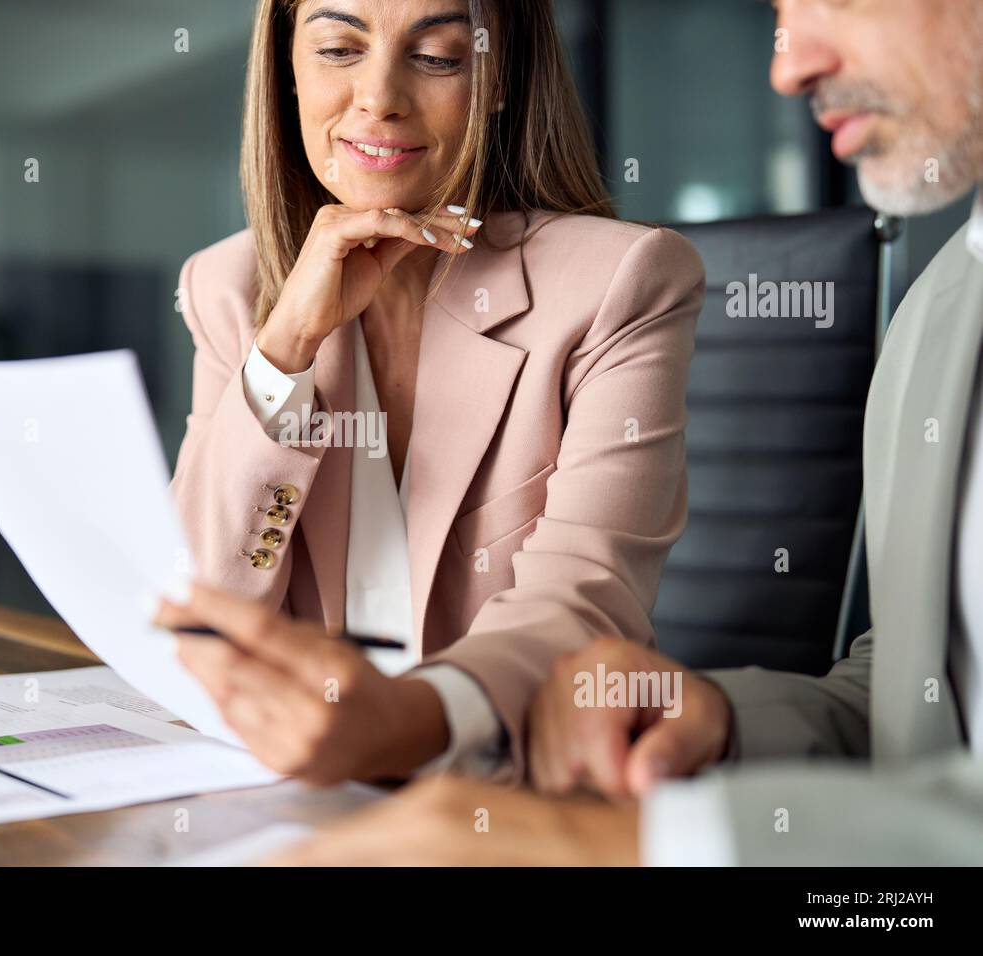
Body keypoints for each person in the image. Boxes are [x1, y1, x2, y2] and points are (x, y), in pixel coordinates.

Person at [264, 0, 983, 865]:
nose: (787, 68)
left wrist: (625, 842)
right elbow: (922, 715)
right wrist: (720, 724)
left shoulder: (622, 280)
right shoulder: (946, 307)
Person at [162, 0, 704, 783]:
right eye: (339, 49)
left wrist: (407, 727)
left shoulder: (623, 282)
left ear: (496, 80)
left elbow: (581, 609)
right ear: (287, 70)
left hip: (509, 794)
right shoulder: (228, 287)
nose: (379, 96)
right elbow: (199, 615)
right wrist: (284, 351)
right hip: (284, 793)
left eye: (440, 56)